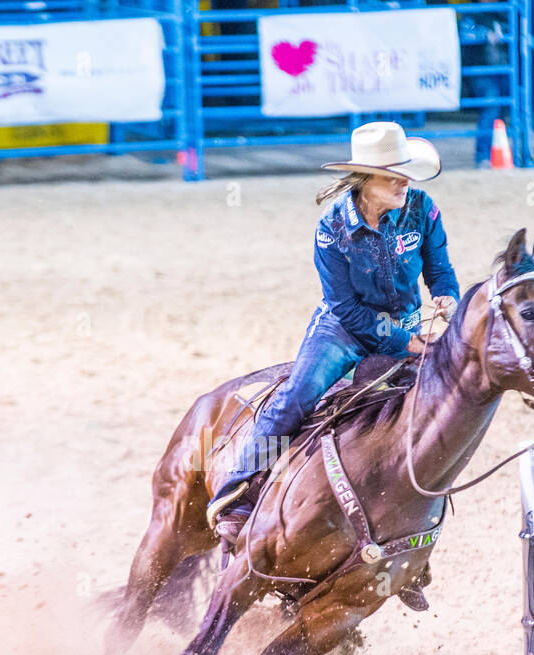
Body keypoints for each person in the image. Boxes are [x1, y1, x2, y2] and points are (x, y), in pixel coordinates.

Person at [205, 121, 461, 551]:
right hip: (343, 330)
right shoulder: (332, 228)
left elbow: (440, 271)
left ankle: (411, 531)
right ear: (365, 180)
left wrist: (446, 300)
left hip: (409, 326)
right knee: (299, 394)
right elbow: (346, 308)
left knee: (436, 412)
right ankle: (238, 491)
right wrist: (404, 340)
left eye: (405, 172)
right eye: (391, 174)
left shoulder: (424, 209)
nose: (403, 181)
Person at [460, 0, 510, 168]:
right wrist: (485, 35)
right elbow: (466, 33)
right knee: (491, 106)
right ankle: (483, 155)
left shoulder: (504, 11)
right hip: (481, 70)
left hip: (501, 68)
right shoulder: (471, 13)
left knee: (500, 110)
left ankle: (500, 153)